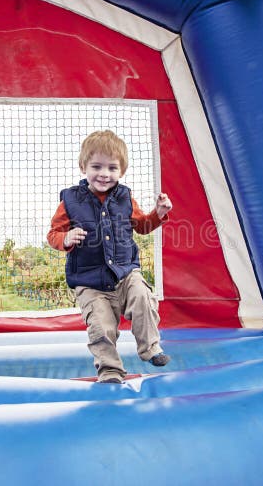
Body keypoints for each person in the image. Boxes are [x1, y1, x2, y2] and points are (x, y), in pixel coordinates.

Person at [47, 130, 173, 384]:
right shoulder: (71, 200)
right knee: (101, 326)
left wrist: (158, 213)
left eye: (112, 168)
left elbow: (142, 227)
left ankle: (150, 348)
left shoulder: (126, 198)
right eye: (96, 166)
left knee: (143, 296)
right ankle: (110, 370)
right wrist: (66, 238)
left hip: (125, 273)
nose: (104, 174)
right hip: (89, 281)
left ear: (121, 172)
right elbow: (53, 234)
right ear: (84, 166)